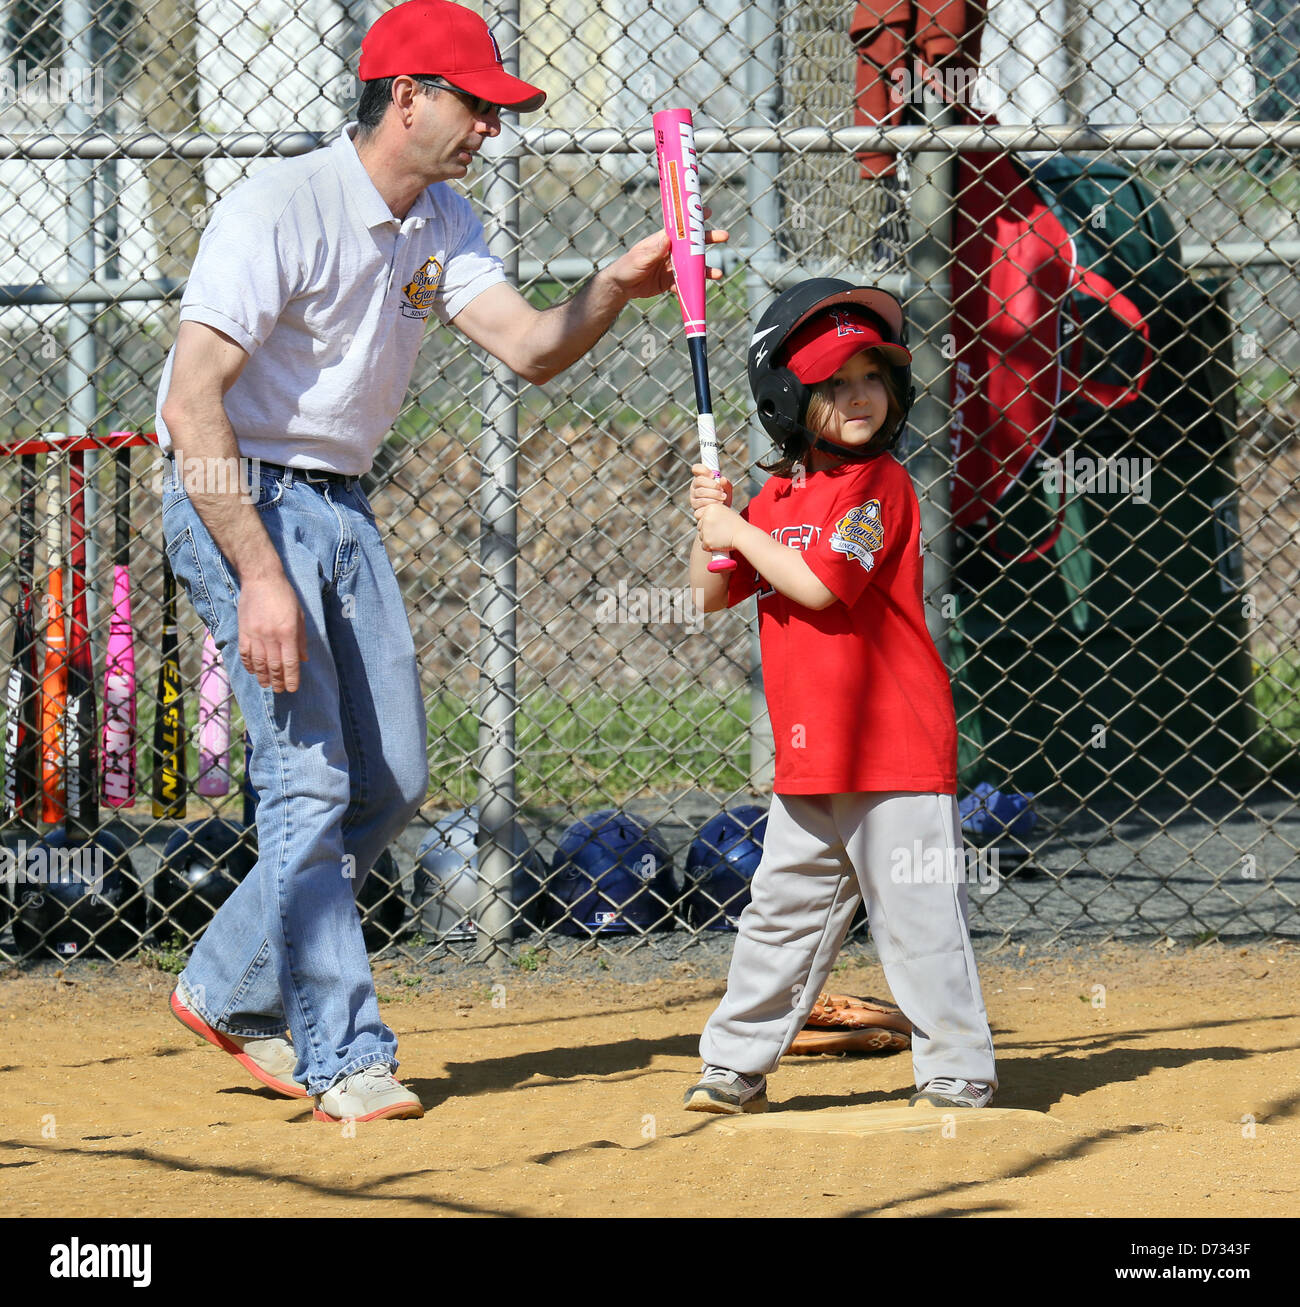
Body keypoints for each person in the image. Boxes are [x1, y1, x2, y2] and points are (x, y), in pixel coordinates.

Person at [156, 0, 725, 1124]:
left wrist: (612, 285)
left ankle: (224, 983)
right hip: (239, 495)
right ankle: (342, 1053)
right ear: (405, 96)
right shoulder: (283, 204)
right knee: (309, 780)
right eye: (477, 107)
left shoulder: (444, 220)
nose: (489, 131)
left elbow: (529, 347)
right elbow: (190, 403)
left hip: (341, 506)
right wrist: (261, 574)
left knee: (394, 780)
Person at [681, 279, 996, 1115]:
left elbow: (822, 587)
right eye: (835, 382)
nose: (861, 396)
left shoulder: (880, 486)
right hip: (811, 755)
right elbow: (711, 596)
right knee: (780, 916)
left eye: (872, 377)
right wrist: (712, 521)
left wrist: (739, 532)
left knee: (917, 918)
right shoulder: (773, 500)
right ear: (788, 397)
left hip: (893, 751)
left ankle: (956, 1067)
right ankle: (734, 1063)